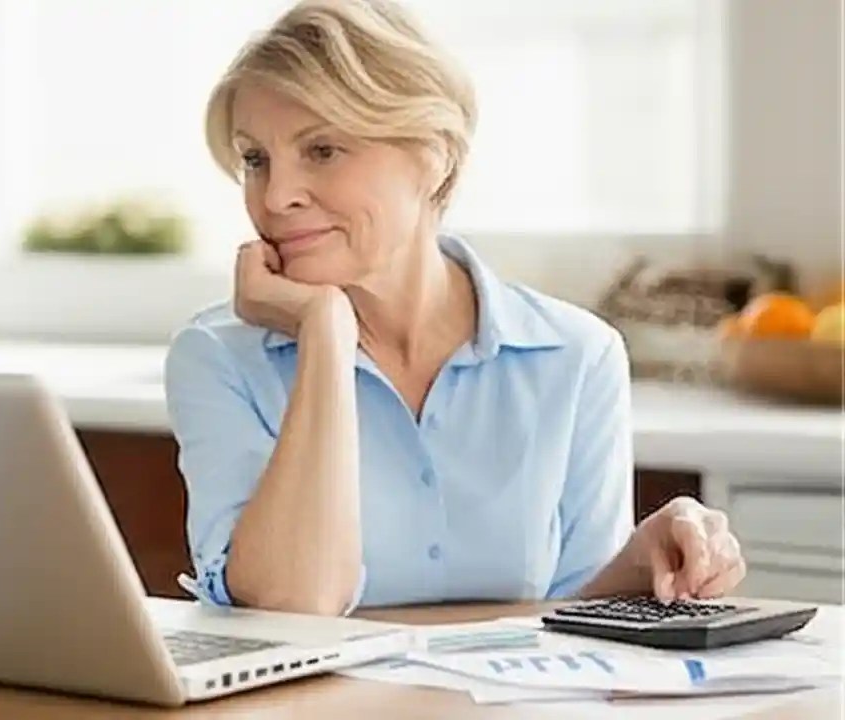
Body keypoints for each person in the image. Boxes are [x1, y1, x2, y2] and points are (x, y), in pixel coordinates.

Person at [164, 0, 746, 616]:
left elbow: (572, 627)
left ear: (434, 154)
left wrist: (640, 563)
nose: (276, 197)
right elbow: (290, 607)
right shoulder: (217, 359)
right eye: (256, 159)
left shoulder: (577, 357)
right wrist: (325, 336)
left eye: (322, 150)